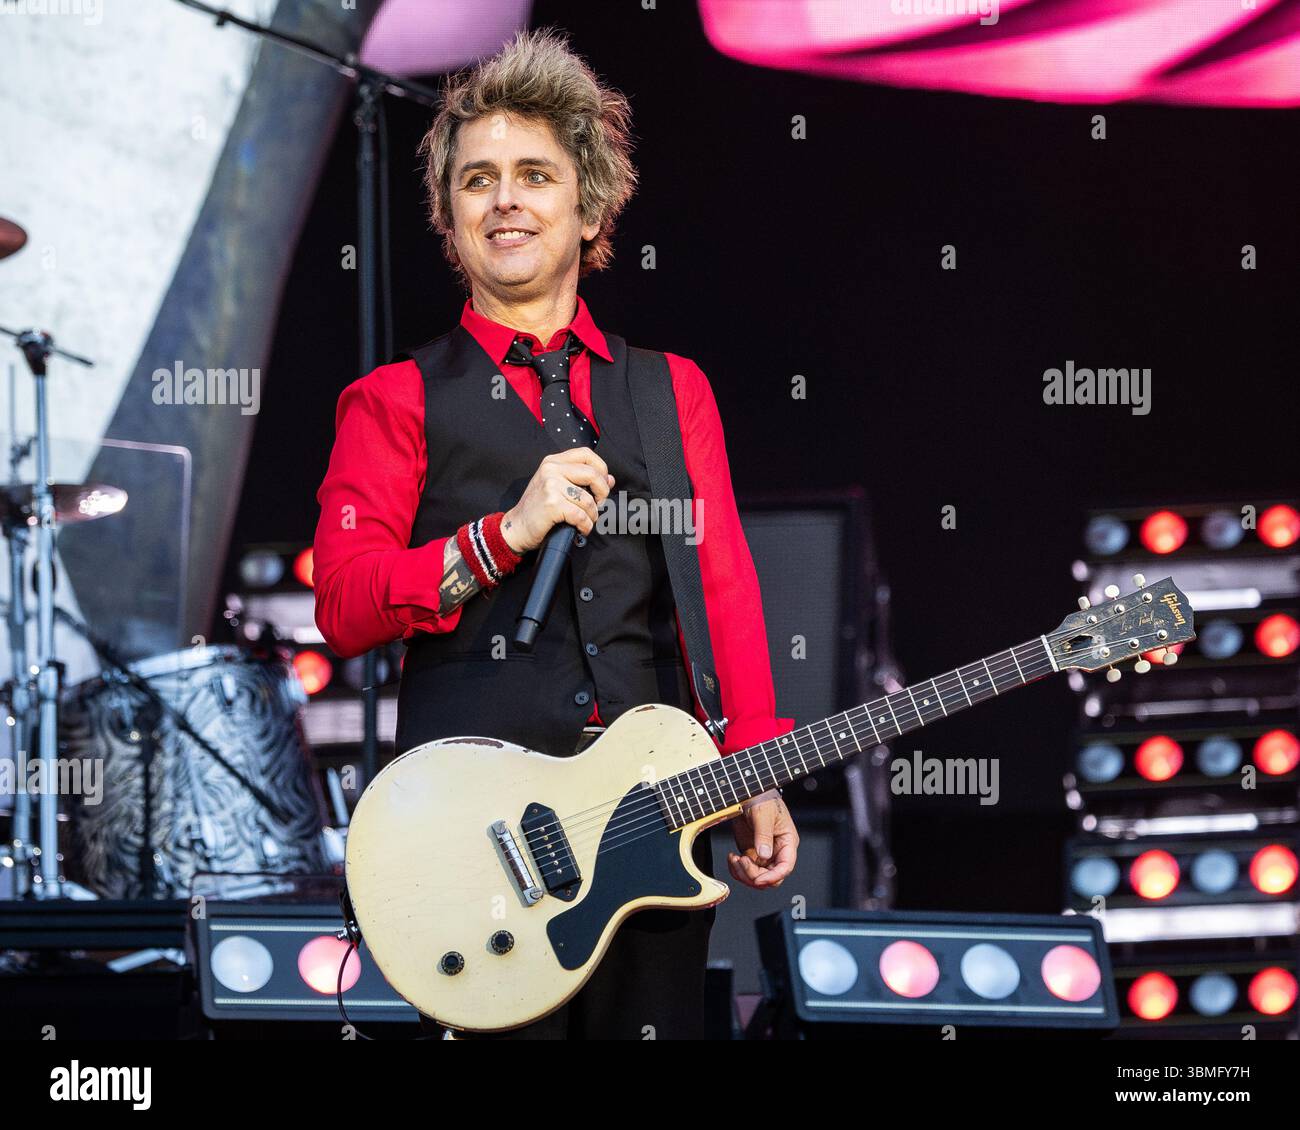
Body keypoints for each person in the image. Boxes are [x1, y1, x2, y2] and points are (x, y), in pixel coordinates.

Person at [313, 27, 797, 1039]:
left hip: (652, 821)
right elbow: (346, 607)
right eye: (477, 179)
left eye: (535, 174)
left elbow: (721, 588)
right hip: (470, 850)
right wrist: (500, 535)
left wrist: (754, 763)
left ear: (590, 203)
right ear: (448, 214)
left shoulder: (670, 391)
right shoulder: (393, 398)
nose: (505, 199)